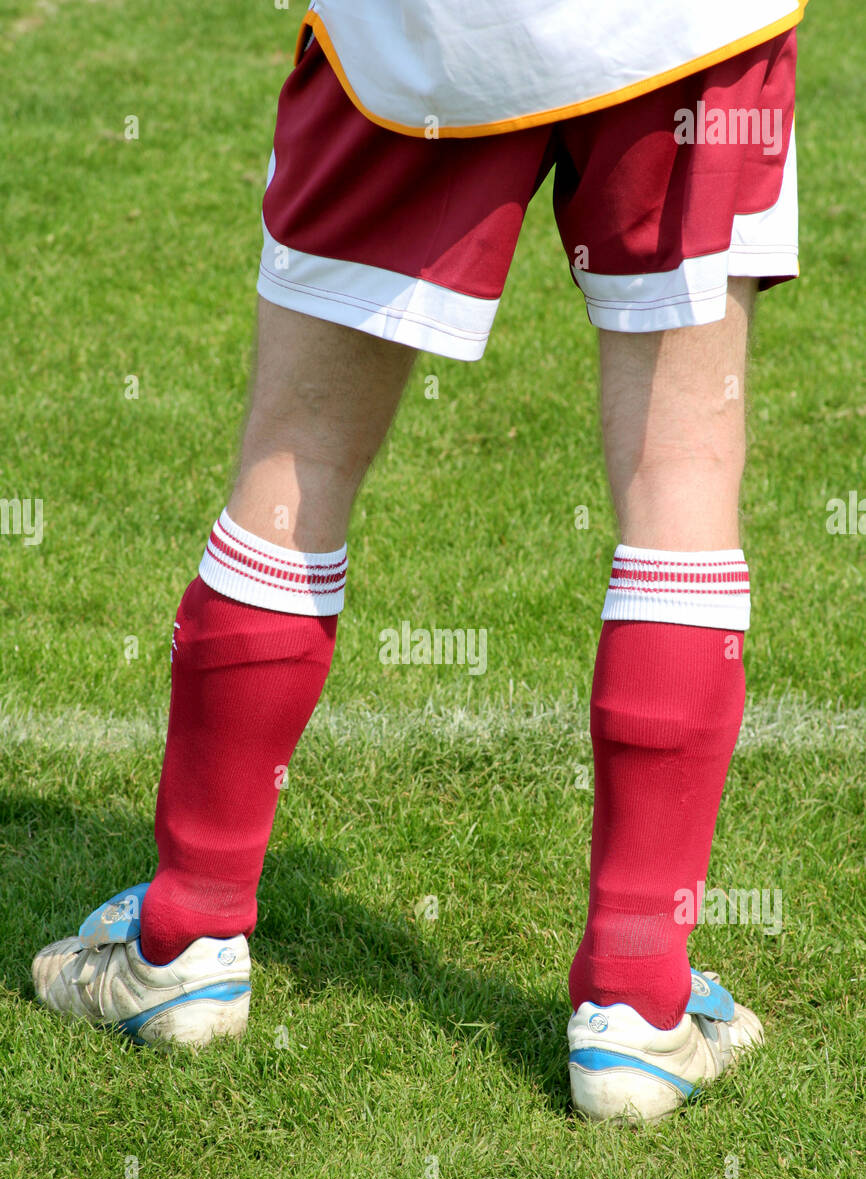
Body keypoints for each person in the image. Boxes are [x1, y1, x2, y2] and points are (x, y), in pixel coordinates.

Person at [32, 1, 807, 1122]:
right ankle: (636, 1015)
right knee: (678, 475)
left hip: (421, 34)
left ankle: (185, 938)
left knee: (297, 458)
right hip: (680, 29)